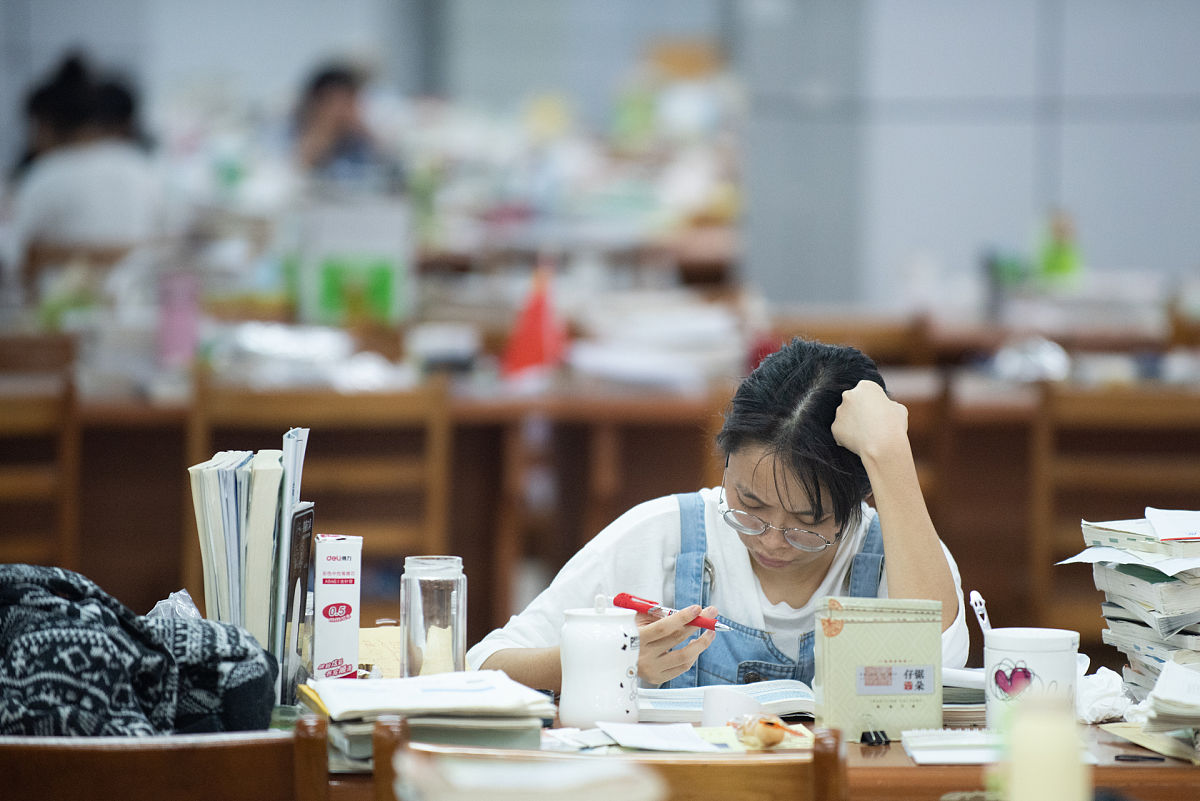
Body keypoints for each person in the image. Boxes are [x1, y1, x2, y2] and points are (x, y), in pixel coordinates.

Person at [467, 338, 969, 690]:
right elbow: (485, 665)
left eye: (808, 524)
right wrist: (608, 657)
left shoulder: (894, 557)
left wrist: (892, 457)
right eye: (748, 506)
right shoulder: (665, 535)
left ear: (858, 502)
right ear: (724, 463)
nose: (772, 540)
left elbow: (938, 663)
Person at [291, 62, 401, 192]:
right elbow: (293, 172)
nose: (341, 111)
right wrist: (324, 132)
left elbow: (389, 170)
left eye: (349, 102)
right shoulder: (294, 130)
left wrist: (365, 133)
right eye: (333, 103)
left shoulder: (358, 137)